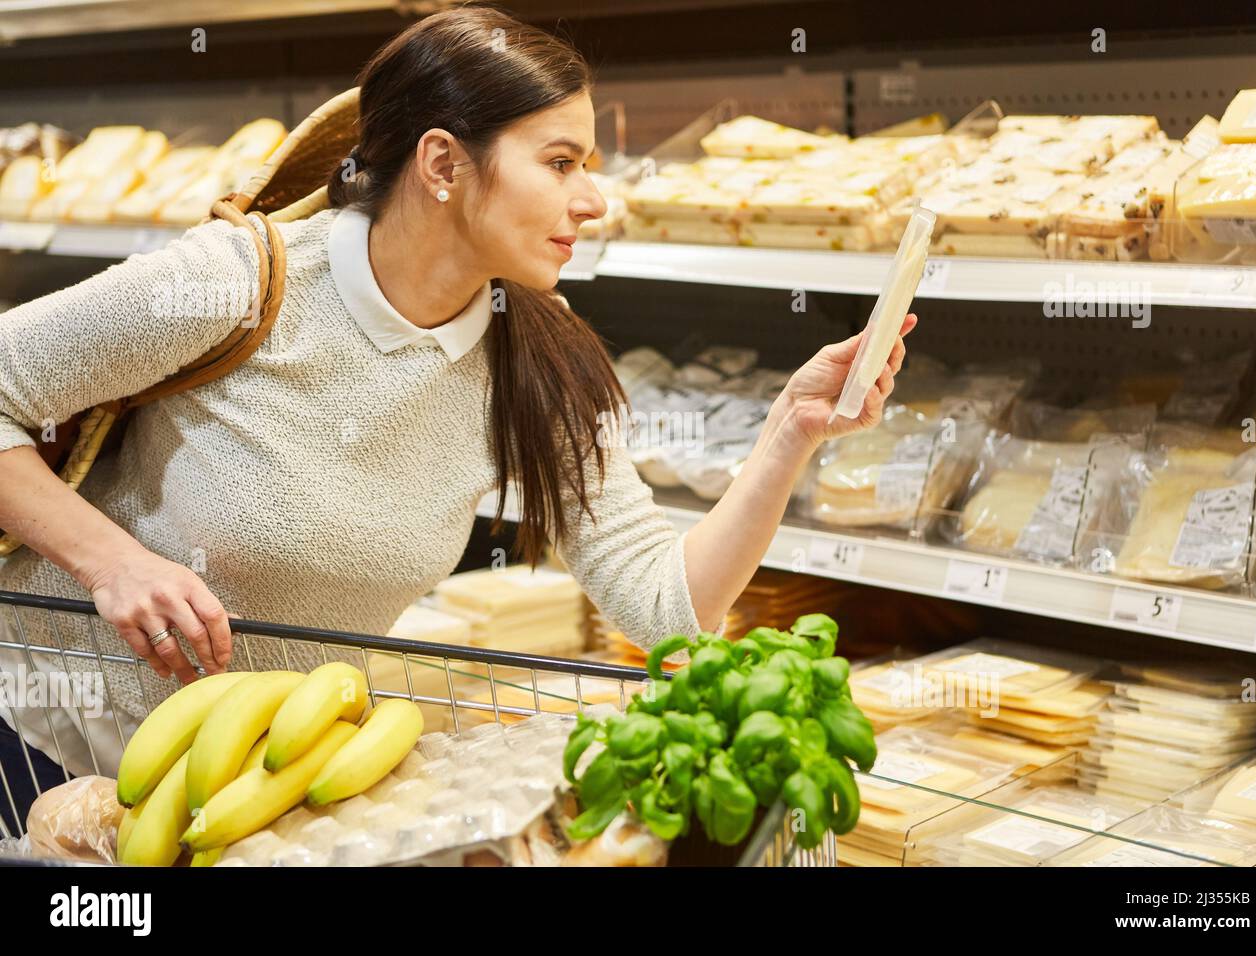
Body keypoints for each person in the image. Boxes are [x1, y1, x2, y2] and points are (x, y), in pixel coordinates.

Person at [0, 6, 912, 836]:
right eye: (560, 163)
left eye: (588, 167)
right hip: (46, 736)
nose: (594, 200)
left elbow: (667, 604)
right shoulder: (241, 284)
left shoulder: (536, 359)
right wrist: (112, 560)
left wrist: (789, 432)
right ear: (443, 164)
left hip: (258, 786)